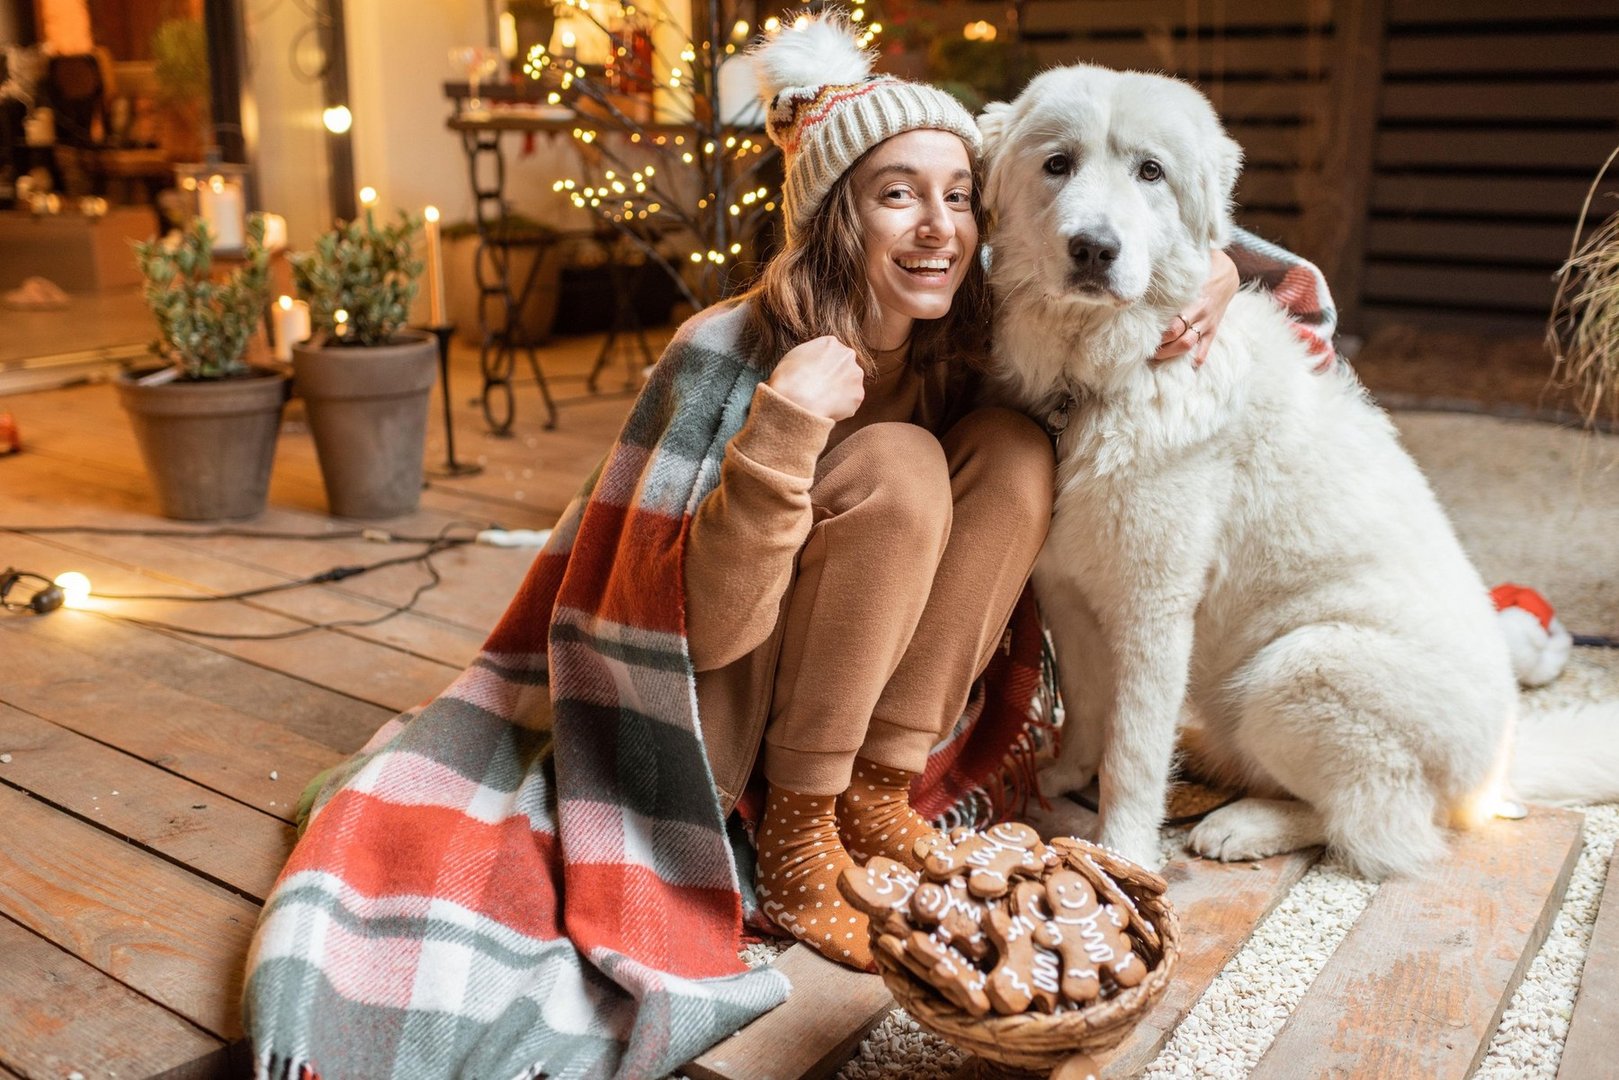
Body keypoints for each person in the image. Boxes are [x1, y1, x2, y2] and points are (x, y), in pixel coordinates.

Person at [243, 17, 1336, 1080]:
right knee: (904, 467)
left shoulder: (965, 328)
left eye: (956, 198)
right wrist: (779, 440)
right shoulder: (727, 350)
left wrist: (1209, 273)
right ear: (831, 217)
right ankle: (802, 831)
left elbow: (1126, 219)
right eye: (894, 196)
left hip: (869, 699)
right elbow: (696, 628)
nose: (936, 228)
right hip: (728, 705)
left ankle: (878, 792)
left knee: (1010, 450)